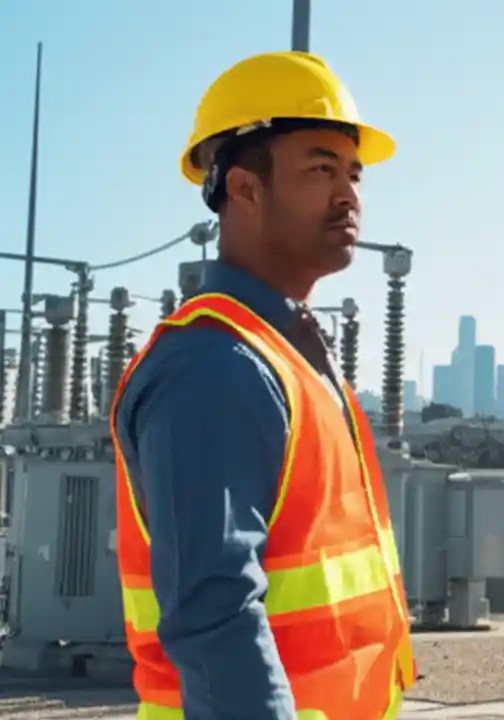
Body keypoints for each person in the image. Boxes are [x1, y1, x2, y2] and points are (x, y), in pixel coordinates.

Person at [110, 50, 416, 720]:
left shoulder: (289, 353)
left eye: (354, 174)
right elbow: (217, 616)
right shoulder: (215, 363)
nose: (350, 195)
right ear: (244, 189)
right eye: (320, 168)